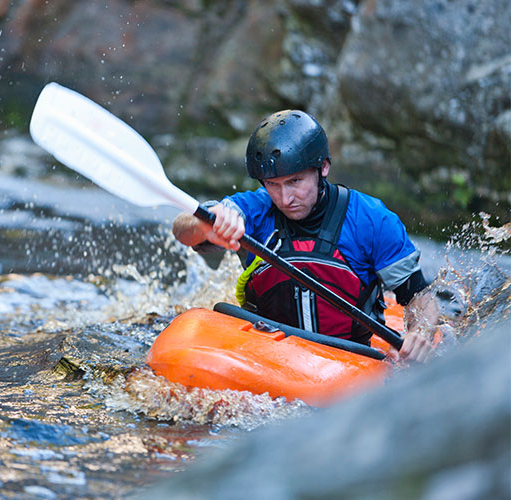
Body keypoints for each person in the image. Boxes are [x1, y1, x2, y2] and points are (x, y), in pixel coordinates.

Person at [172, 110, 437, 362]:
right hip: (265, 351)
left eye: (295, 182)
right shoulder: (255, 208)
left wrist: (420, 334)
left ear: (322, 167)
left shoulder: (371, 220)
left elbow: (419, 295)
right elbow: (182, 230)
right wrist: (209, 221)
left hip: (348, 357)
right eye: (273, 185)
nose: (285, 198)